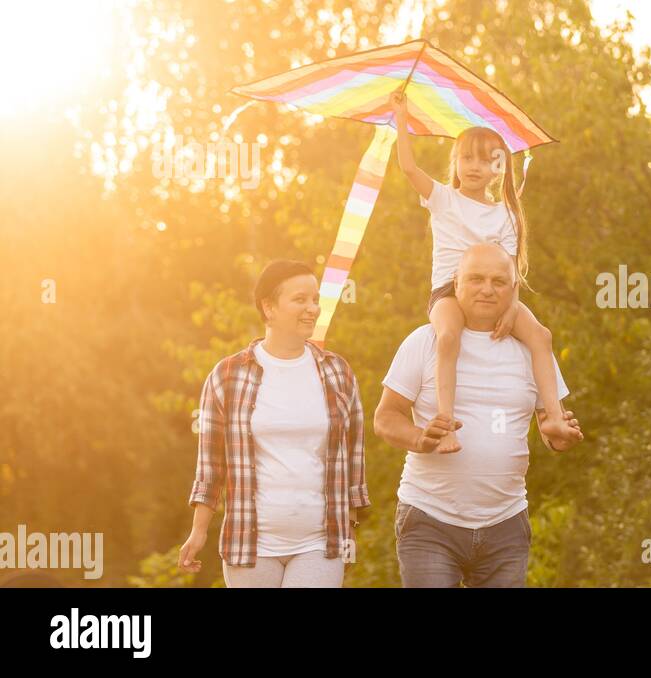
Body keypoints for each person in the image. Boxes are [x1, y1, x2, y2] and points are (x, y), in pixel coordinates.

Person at [374, 243, 583, 587]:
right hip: (429, 521)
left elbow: (550, 426)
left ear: (514, 290)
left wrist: (559, 439)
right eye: (475, 279)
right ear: (455, 283)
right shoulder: (424, 341)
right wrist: (419, 438)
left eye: (499, 281)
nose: (487, 289)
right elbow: (385, 417)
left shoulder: (531, 352)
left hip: (506, 525)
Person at [389, 91, 579, 456]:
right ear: (455, 162)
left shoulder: (505, 213)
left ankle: (553, 416)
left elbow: (509, 270)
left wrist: (511, 306)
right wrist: (402, 118)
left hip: (495, 293)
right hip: (448, 291)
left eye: (486, 160)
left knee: (540, 335)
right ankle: (446, 425)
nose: (474, 166)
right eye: (466, 158)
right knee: (446, 338)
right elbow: (410, 169)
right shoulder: (443, 199)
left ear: (499, 168)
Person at [177, 260, 370, 587]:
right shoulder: (227, 376)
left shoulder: (337, 372)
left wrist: (349, 529)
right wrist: (198, 531)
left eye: (315, 299)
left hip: (319, 543)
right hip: (250, 545)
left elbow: (353, 459)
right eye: (300, 300)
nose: (312, 309)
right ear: (269, 307)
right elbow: (211, 466)